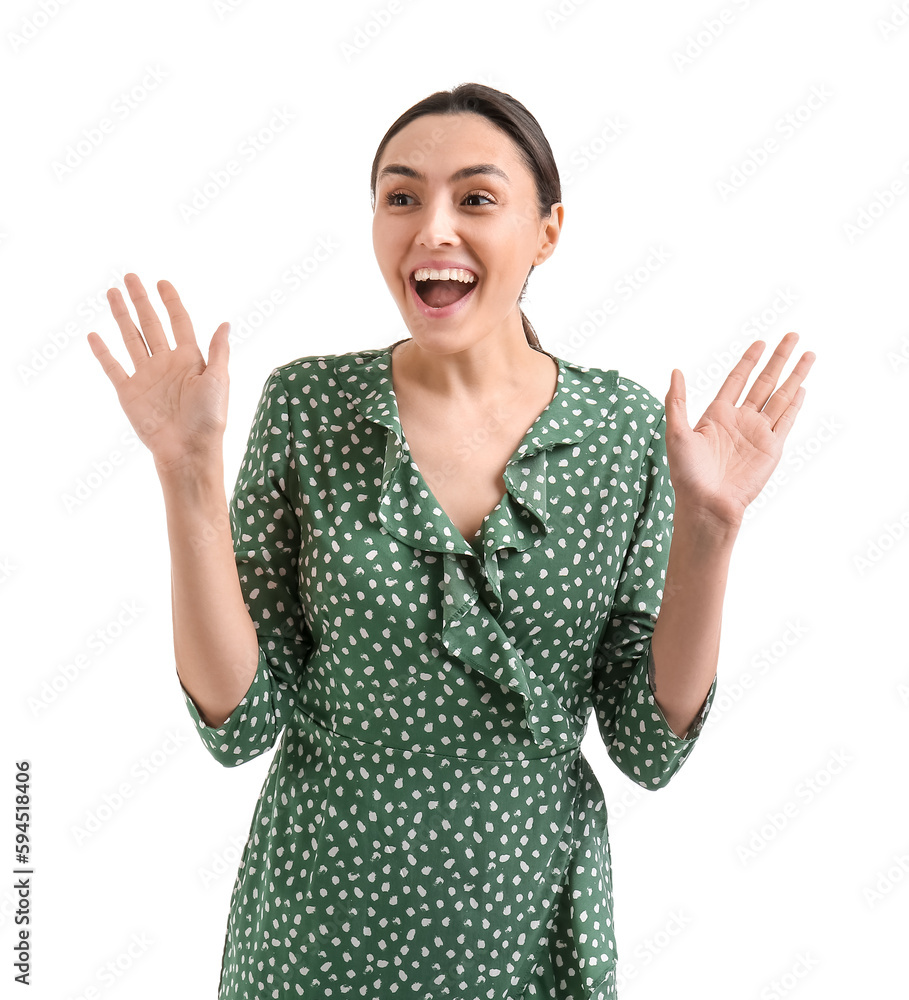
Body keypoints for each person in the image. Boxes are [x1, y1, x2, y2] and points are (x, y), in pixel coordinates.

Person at [87, 83, 815, 999]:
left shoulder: (623, 427)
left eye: (475, 198)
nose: (432, 228)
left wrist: (710, 532)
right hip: (316, 937)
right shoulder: (310, 408)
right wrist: (185, 471)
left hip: (530, 937)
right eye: (400, 197)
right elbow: (240, 724)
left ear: (547, 231)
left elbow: (645, 743)